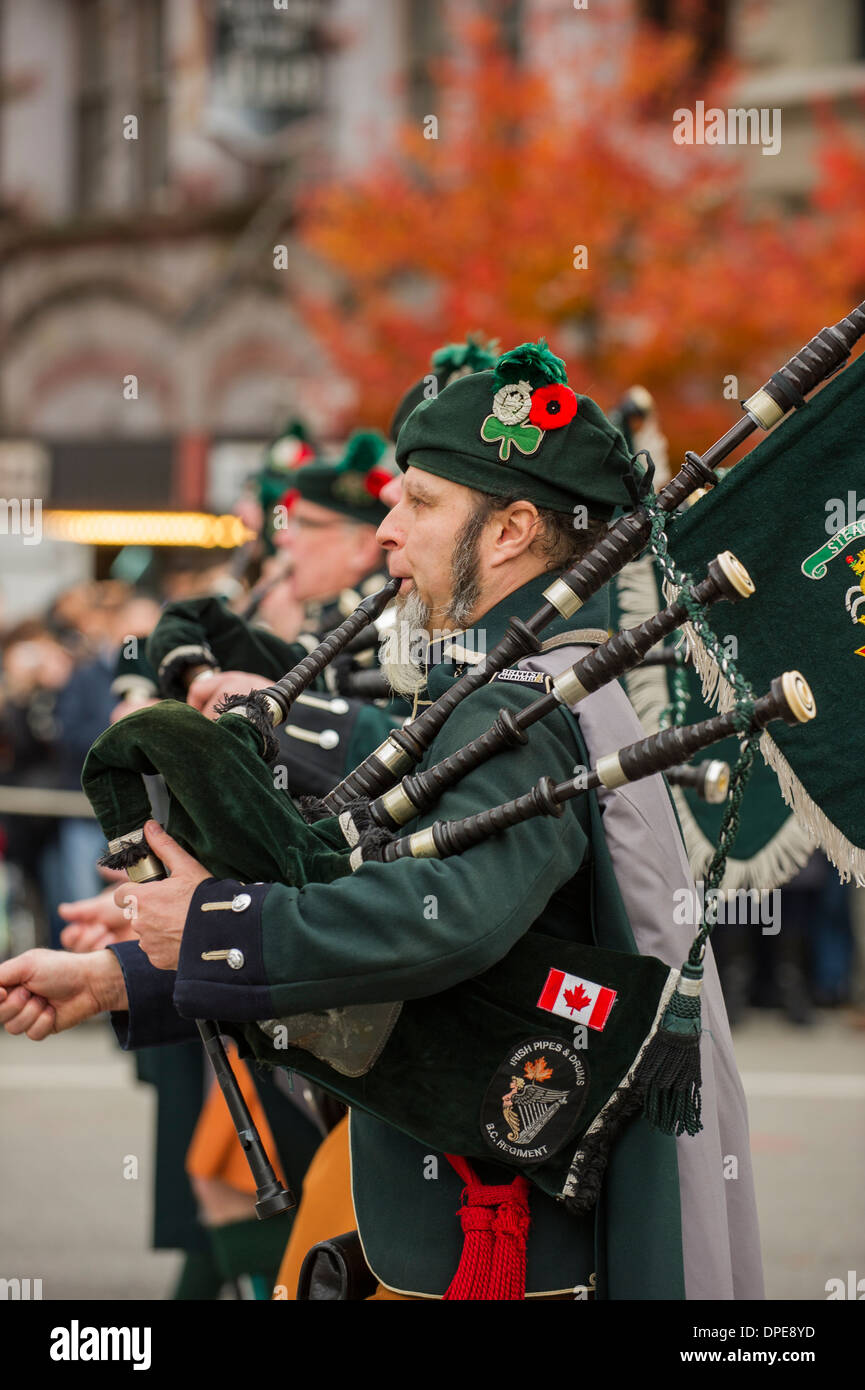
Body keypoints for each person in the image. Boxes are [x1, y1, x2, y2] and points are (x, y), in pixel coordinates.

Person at [0, 341, 763, 1299]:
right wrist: (126, 977)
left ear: (512, 529)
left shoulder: (517, 705)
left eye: (420, 502)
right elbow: (392, 923)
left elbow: (440, 925)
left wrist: (210, 929)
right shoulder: (525, 685)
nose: (386, 529)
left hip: (508, 1231)